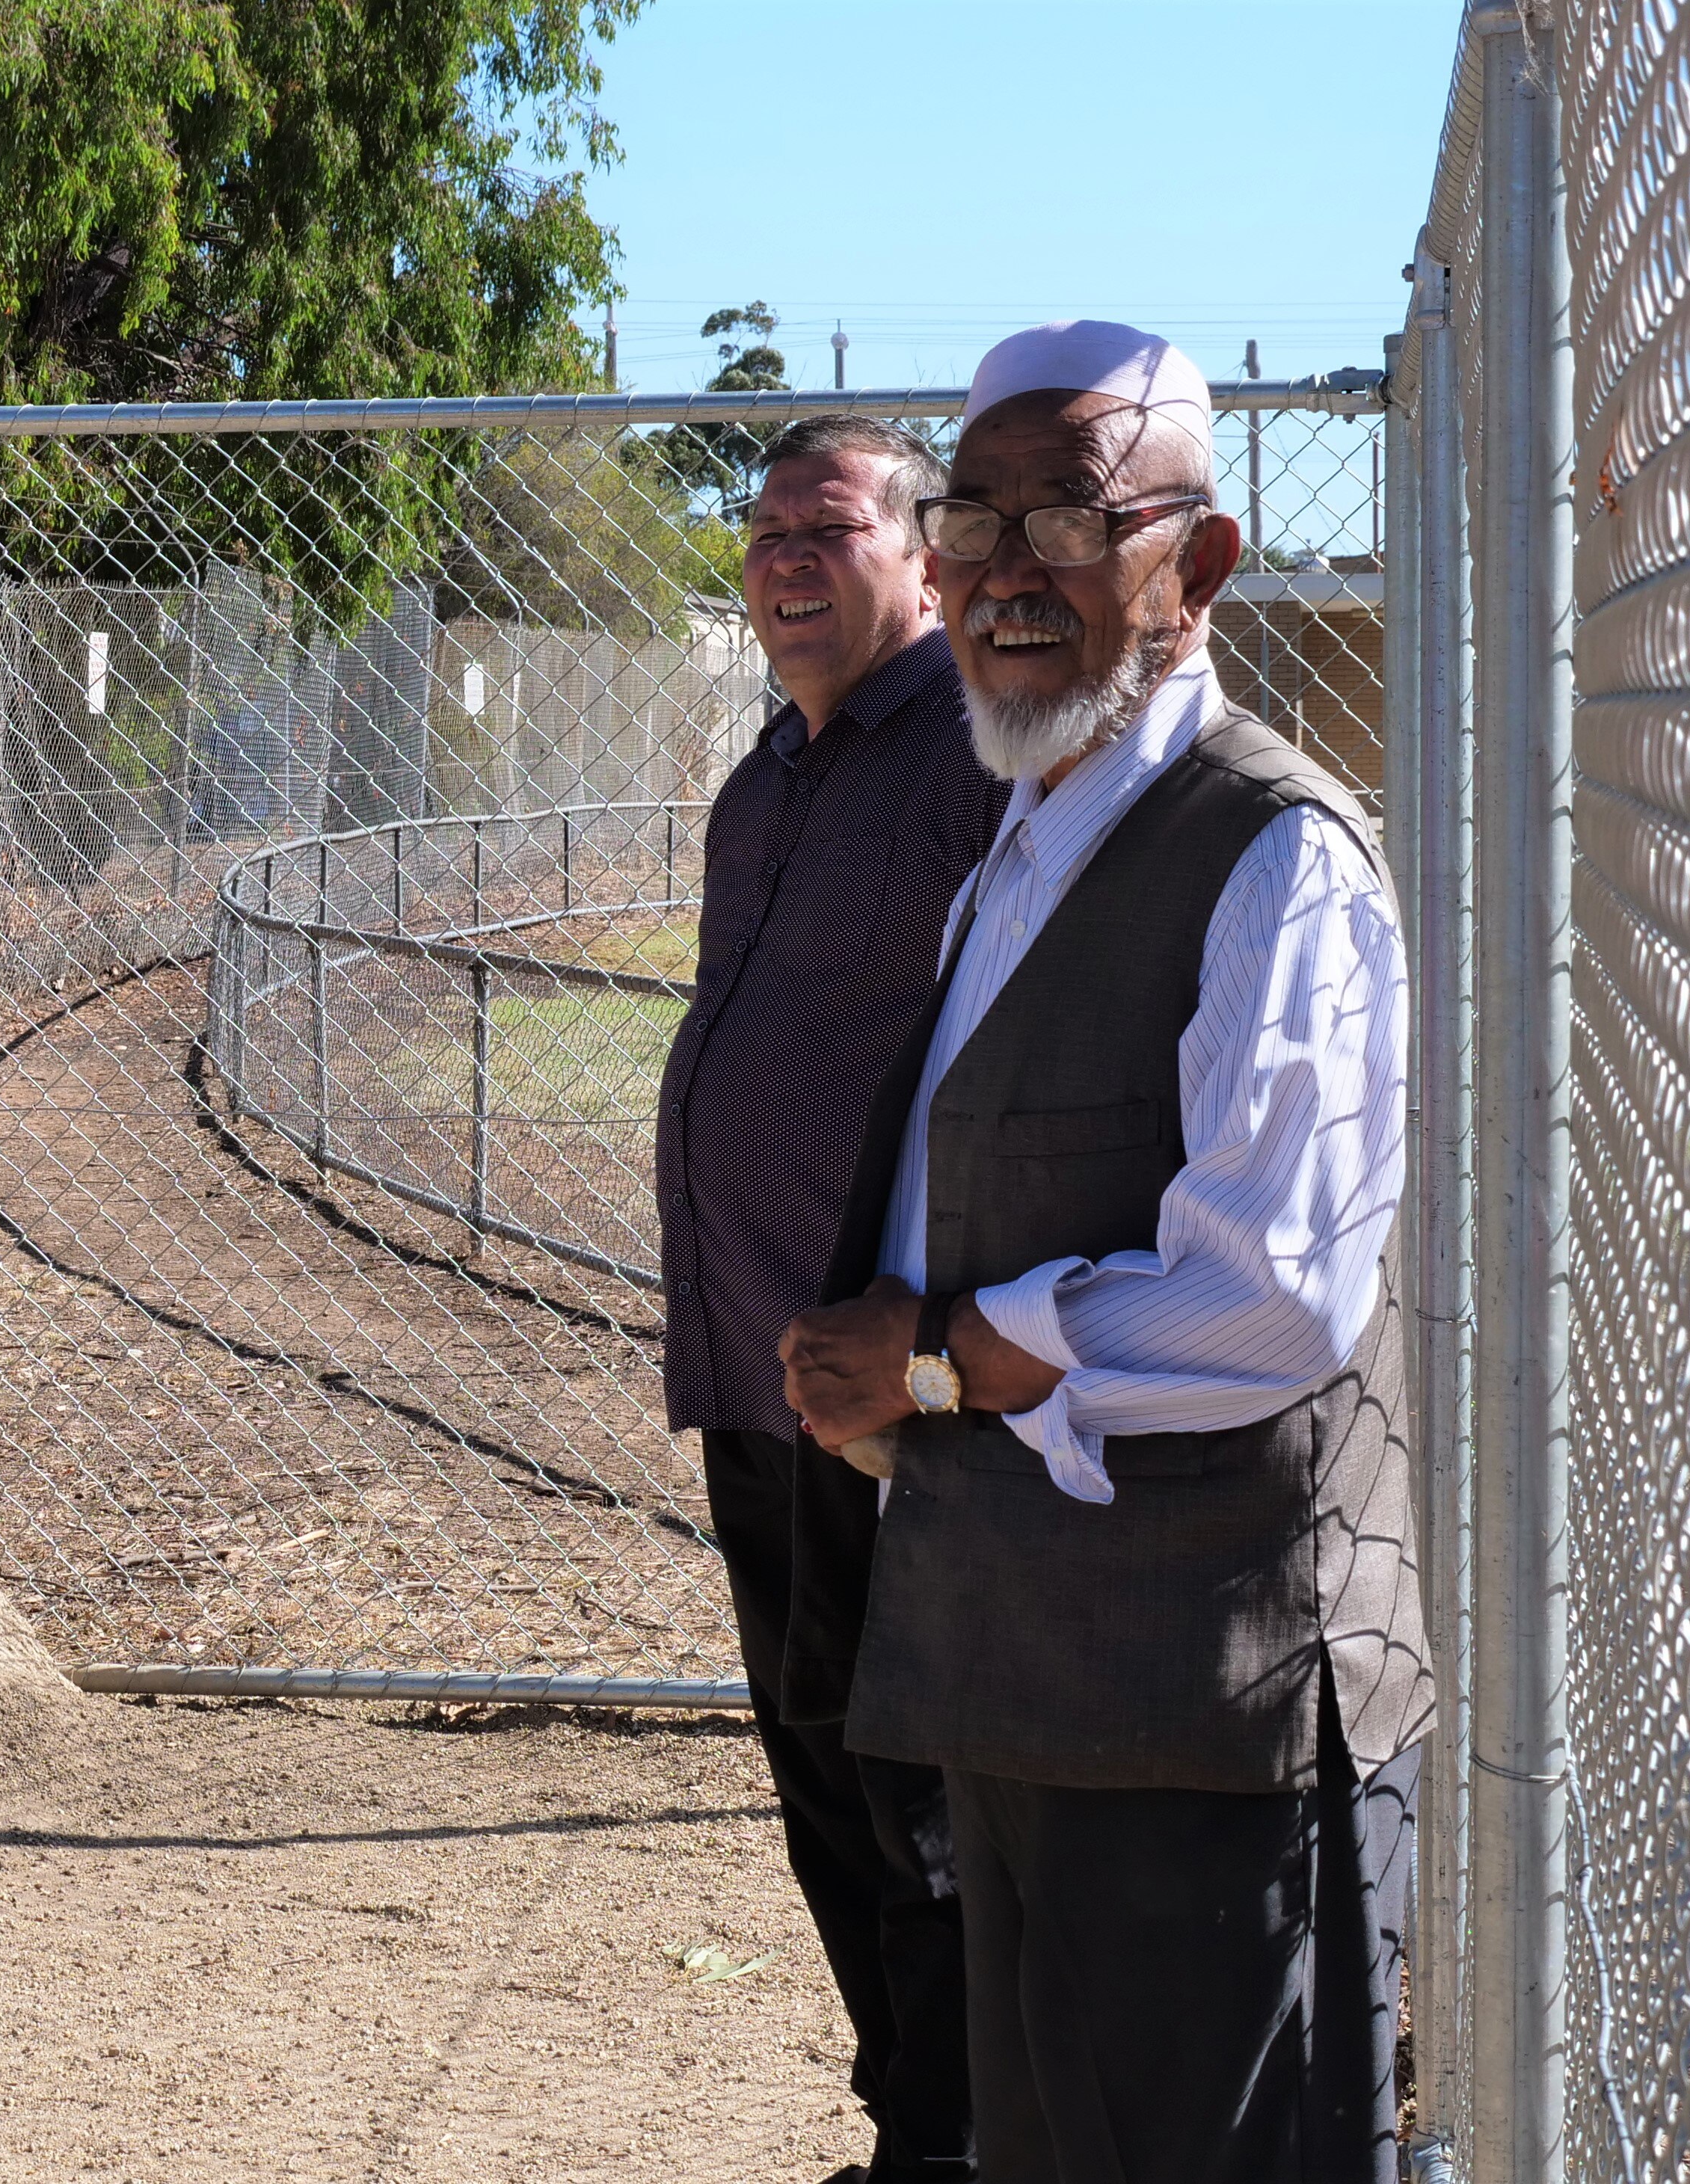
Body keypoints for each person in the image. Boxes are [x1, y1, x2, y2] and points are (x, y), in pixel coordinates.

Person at [778, 321, 1431, 2183]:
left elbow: (1276, 1291)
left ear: (1195, 562)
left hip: (1200, 1717)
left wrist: (927, 1358)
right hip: (1028, 1671)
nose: (997, 574)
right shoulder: (1038, 821)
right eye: (965, 522)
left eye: (1061, 520)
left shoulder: (1270, 853)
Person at [657, 412, 1007, 2184]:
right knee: (811, 1764)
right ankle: (903, 2132)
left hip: (890, 1385)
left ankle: (956, 2144)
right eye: (767, 529)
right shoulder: (764, 780)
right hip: (749, 1365)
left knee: (915, 1788)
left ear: (923, 557)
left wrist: (938, 1336)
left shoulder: (970, 746)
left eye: (834, 525)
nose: (789, 554)